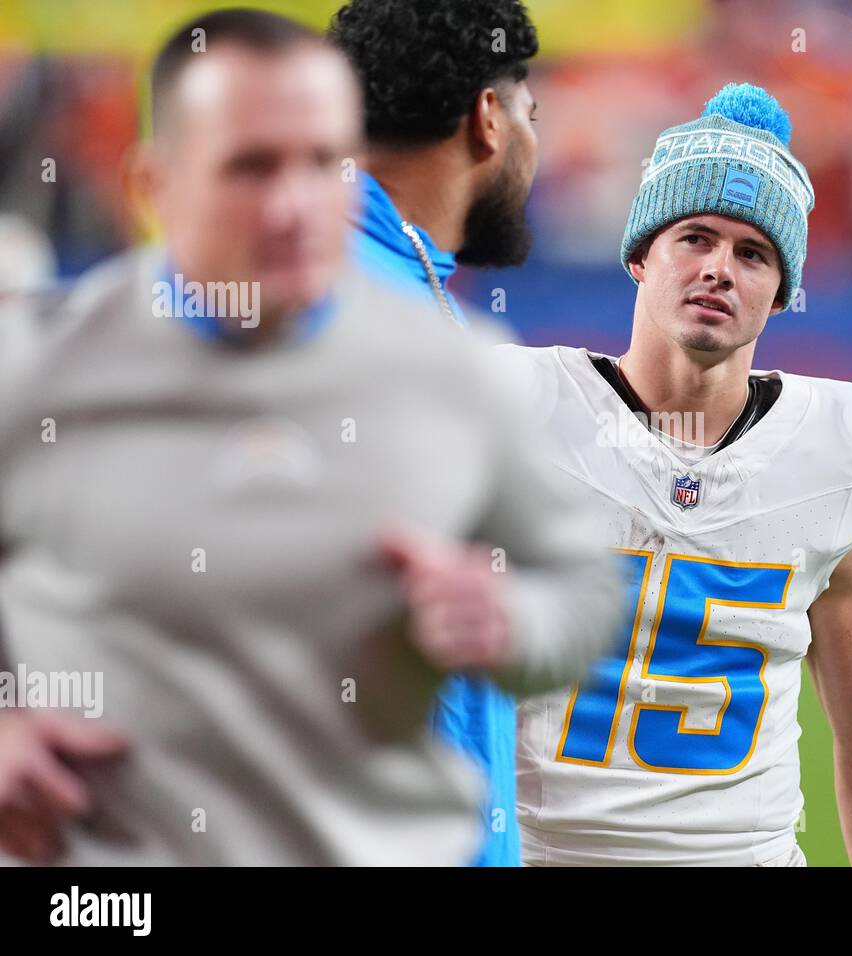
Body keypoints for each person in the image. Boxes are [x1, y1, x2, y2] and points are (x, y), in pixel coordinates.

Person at [0, 7, 619, 866]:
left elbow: (581, 582)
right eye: (251, 166)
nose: (294, 205)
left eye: (323, 163)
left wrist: (511, 619)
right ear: (155, 185)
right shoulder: (43, 369)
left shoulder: (452, 363)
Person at [506, 83, 852, 866]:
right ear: (640, 254)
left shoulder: (840, 451)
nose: (719, 270)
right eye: (694, 238)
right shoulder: (516, 410)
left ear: (781, 291)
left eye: (752, 252)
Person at [327, 0, 539, 865]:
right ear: (489, 118)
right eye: (534, 113)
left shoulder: (386, 282)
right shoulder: (341, 301)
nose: (537, 145)